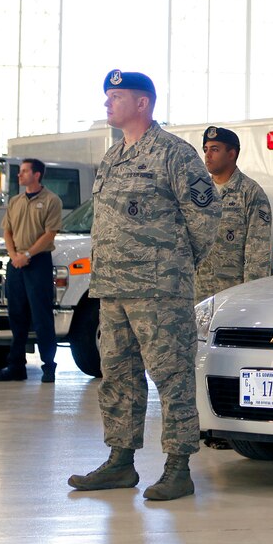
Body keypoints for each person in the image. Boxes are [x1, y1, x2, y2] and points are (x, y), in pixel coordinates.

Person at [68, 70, 220, 502]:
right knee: (117, 376)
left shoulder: (174, 154)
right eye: (107, 96)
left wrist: (175, 264)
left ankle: (178, 467)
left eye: (116, 96)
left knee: (171, 377)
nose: (107, 103)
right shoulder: (113, 157)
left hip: (159, 290)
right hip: (112, 288)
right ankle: (120, 461)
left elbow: (205, 218)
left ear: (142, 103)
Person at [0, 159, 62, 383]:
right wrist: (14, 257)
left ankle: (48, 367)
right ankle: (16, 367)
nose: (19, 176)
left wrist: (28, 256)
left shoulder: (52, 201)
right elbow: (7, 232)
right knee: (17, 315)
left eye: (24, 171)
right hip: (16, 264)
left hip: (38, 263)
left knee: (41, 317)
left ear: (37, 175)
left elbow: (49, 234)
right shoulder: (15, 201)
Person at [194, 126, 272, 304]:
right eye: (205, 150)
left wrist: (252, 297)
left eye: (215, 149)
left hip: (233, 294)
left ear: (231, 154)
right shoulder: (198, 192)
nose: (208, 155)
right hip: (198, 295)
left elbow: (258, 253)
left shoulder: (250, 192)